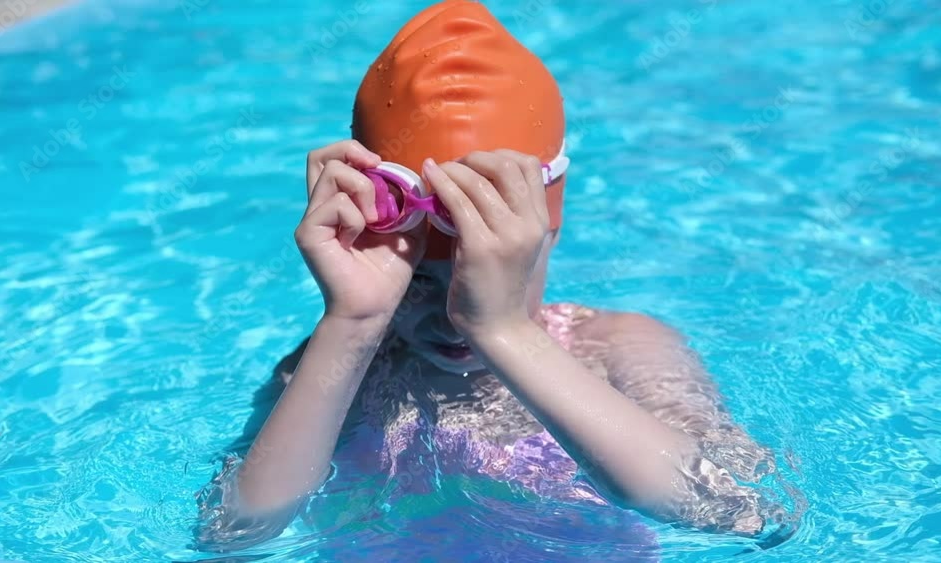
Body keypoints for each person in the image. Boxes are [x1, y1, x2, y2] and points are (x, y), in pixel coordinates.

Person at [193, 0, 789, 553]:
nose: (454, 315)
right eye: (419, 283)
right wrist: (353, 322)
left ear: (548, 239)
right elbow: (236, 533)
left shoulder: (616, 346)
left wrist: (505, 330)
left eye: (486, 281)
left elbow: (736, 509)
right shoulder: (341, 363)